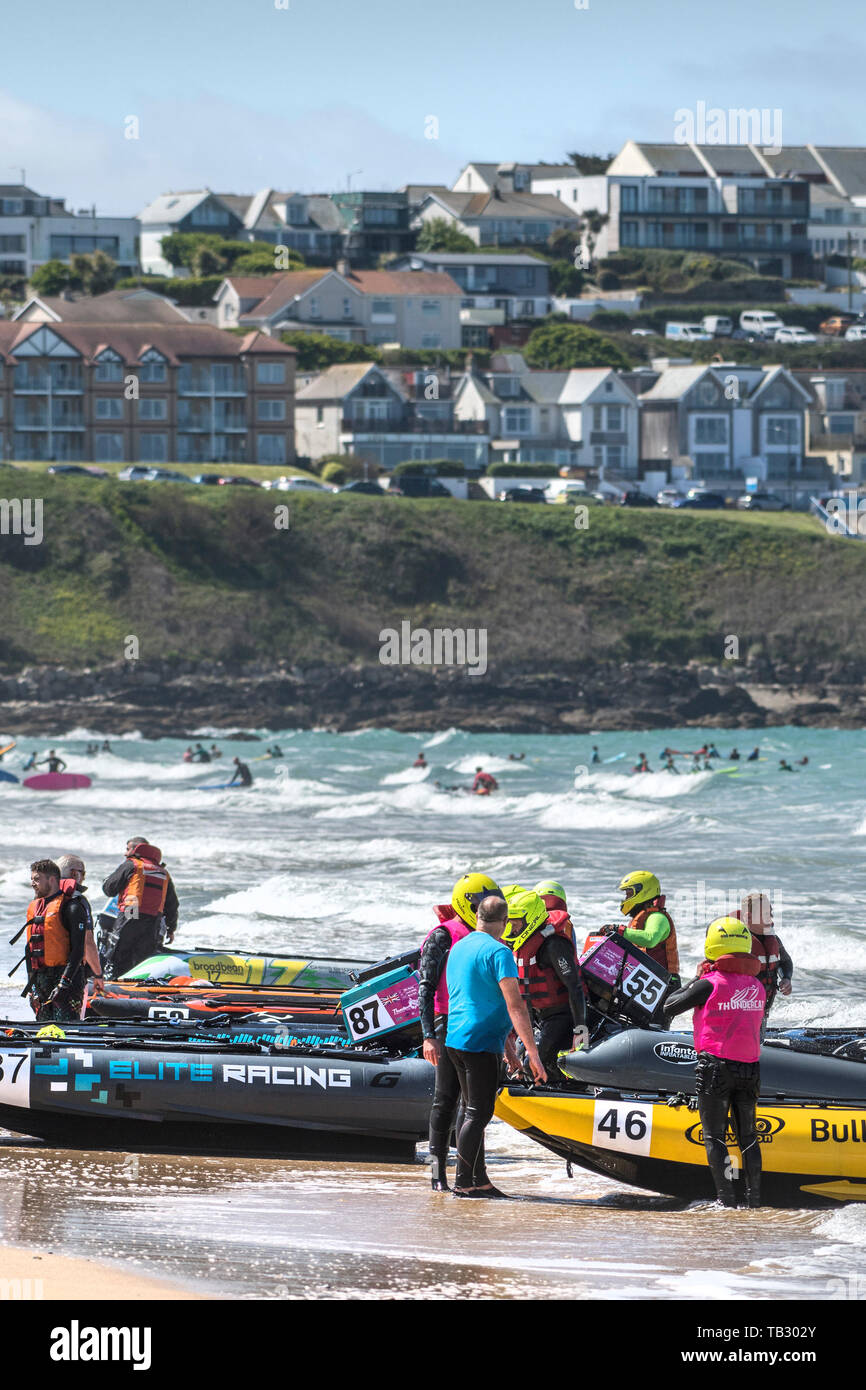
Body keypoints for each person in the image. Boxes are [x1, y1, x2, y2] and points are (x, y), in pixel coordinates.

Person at [445, 895, 546, 1197]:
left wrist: (509, 1048)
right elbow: (515, 1007)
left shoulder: (459, 947)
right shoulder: (500, 952)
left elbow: (474, 996)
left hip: (455, 1037)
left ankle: (479, 1179)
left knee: (470, 1109)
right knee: (479, 1112)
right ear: (504, 923)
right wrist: (535, 1056)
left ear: (477, 916)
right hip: (479, 1041)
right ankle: (464, 1183)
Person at [664, 916, 765, 1208]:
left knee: (715, 1137)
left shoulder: (709, 984)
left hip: (715, 1067)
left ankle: (727, 1202)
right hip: (751, 1068)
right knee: (748, 1136)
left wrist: (697, 977)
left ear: (713, 945)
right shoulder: (757, 987)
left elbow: (668, 1005)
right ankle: (755, 1201)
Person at [420, 872, 505, 1192]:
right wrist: (427, 1035)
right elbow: (425, 988)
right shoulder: (442, 937)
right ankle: (437, 1174)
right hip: (444, 1024)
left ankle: (477, 1178)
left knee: (473, 1107)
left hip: (469, 1028)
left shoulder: (482, 938)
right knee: (445, 1101)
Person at [502, 886, 587, 1076]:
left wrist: (581, 1030)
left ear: (531, 919)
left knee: (536, 1062)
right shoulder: (523, 945)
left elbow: (575, 987)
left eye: (516, 923)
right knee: (519, 1063)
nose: (512, 928)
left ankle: (562, 1096)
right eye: (510, 922)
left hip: (563, 1016)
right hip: (539, 1017)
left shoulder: (554, 945)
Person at [12, 859, 96, 1021]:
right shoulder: (36, 907)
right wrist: (32, 987)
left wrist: (64, 983)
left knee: (65, 1029)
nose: (32, 884)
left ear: (51, 880)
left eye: (36, 879)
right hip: (41, 978)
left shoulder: (72, 906)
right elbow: (29, 949)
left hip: (67, 978)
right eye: (32, 879)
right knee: (43, 1028)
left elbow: (78, 950)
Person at [100, 836, 179, 979]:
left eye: (128, 849)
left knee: (118, 957)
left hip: (131, 912)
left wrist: (106, 881)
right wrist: (171, 928)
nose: (125, 853)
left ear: (136, 849)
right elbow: (172, 904)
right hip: (153, 919)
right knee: (142, 961)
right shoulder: (163, 873)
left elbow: (109, 889)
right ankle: (139, 990)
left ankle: (114, 988)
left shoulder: (132, 865)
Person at [605, 870, 680, 979]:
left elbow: (650, 939)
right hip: (647, 979)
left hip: (667, 983)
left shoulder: (658, 917)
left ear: (644, 892)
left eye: (629, 894)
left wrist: (619, 930)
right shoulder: (639, 918)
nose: (626, 899)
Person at [738, 891, 793, 1030]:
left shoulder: (773, 938)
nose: (771, 919)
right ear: (749, 917)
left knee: (759, 1040)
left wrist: (786, 978)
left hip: (763, 1010)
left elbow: (785, 961)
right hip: (739, 1012)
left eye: (771, 913)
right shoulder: (738, 942)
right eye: (766, 914)